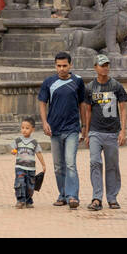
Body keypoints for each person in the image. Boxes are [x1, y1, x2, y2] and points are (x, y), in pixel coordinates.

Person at [38, 51, 89, 209]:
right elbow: (42, 102)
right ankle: (63, 195)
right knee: (58, 165)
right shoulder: (49, 82)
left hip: (72, 129)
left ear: (70, 65)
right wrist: (44, 122)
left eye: (64, 65)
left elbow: (83, 104)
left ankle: (73, 196)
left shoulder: (78, 81)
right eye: (58, 66)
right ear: (55, 66)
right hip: (54, 130)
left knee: (70, 163)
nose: (61, 69)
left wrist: (84, 126)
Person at [86, 56, 127, 211]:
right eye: (102, 65)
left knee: (112, 166)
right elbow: (88, 111)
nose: (105, 68)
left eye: (107, 65)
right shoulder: (90, 87)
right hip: (95, 131)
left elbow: (123, 109)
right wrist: (86, 132)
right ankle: (97, 197)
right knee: (95, 162)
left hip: (112, 132)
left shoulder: (116, 86)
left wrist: (123, 131)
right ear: (95, 67)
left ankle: (112, 198)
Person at [12, 115, 46, 208]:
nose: (24, 130)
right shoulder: (18, 141)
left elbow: (38, 153)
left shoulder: (34, 142)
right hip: (20, 167)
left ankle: (28, 200)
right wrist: (13, 151)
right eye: (22, 128)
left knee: (30, 185)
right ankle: (20, 201)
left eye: (27, 128)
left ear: (32, 130)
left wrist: (43, 165)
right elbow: (14, 149)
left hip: (31, 168)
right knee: (20, 183)